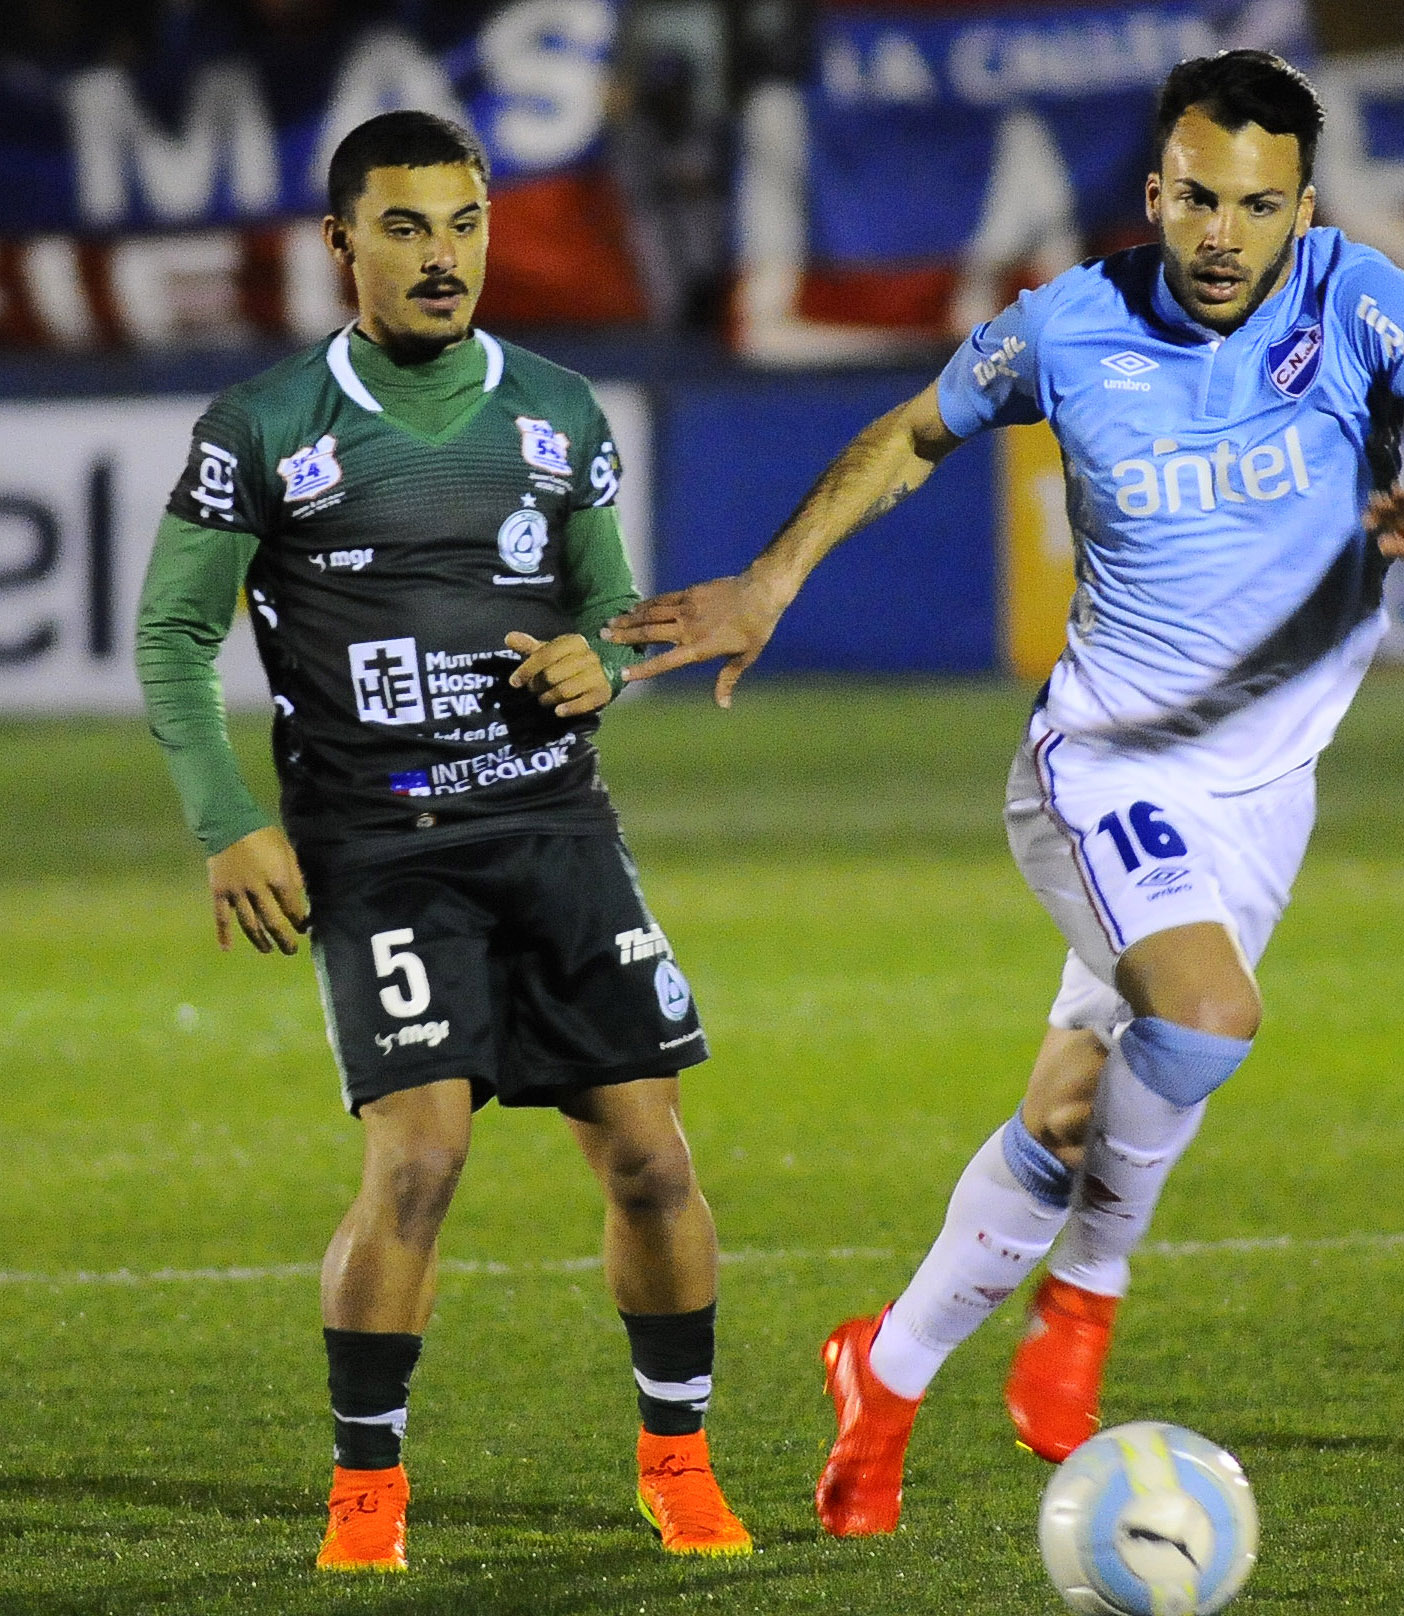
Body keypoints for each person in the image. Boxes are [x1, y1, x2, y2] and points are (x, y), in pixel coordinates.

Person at [602, 49, 1404, 1537]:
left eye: (1257, 204)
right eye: (1197, 197)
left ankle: (889, 1367)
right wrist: (772, 581)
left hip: (1266, 797)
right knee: (1206, 1014)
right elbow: (915, 435)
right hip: (1104, 769)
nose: (1224, 234)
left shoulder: (1356, 299)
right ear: (1155, 192)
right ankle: (1088, 1303)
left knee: (1069, 1115)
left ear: (1304, 207)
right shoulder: (1074, 324)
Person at [135, 110, 751, 1571]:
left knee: (654, 1158)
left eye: (463, 223)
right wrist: (229, 824)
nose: (441, 257)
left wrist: (607, 657)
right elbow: (171, 634)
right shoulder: (266, 426)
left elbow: (613, 608)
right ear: (340, 243)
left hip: (550, 824)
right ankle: (369, 1495)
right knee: (417, 1162)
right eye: (403, 228)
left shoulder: (557, 408)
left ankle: (679, 1461)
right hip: (383, 845)